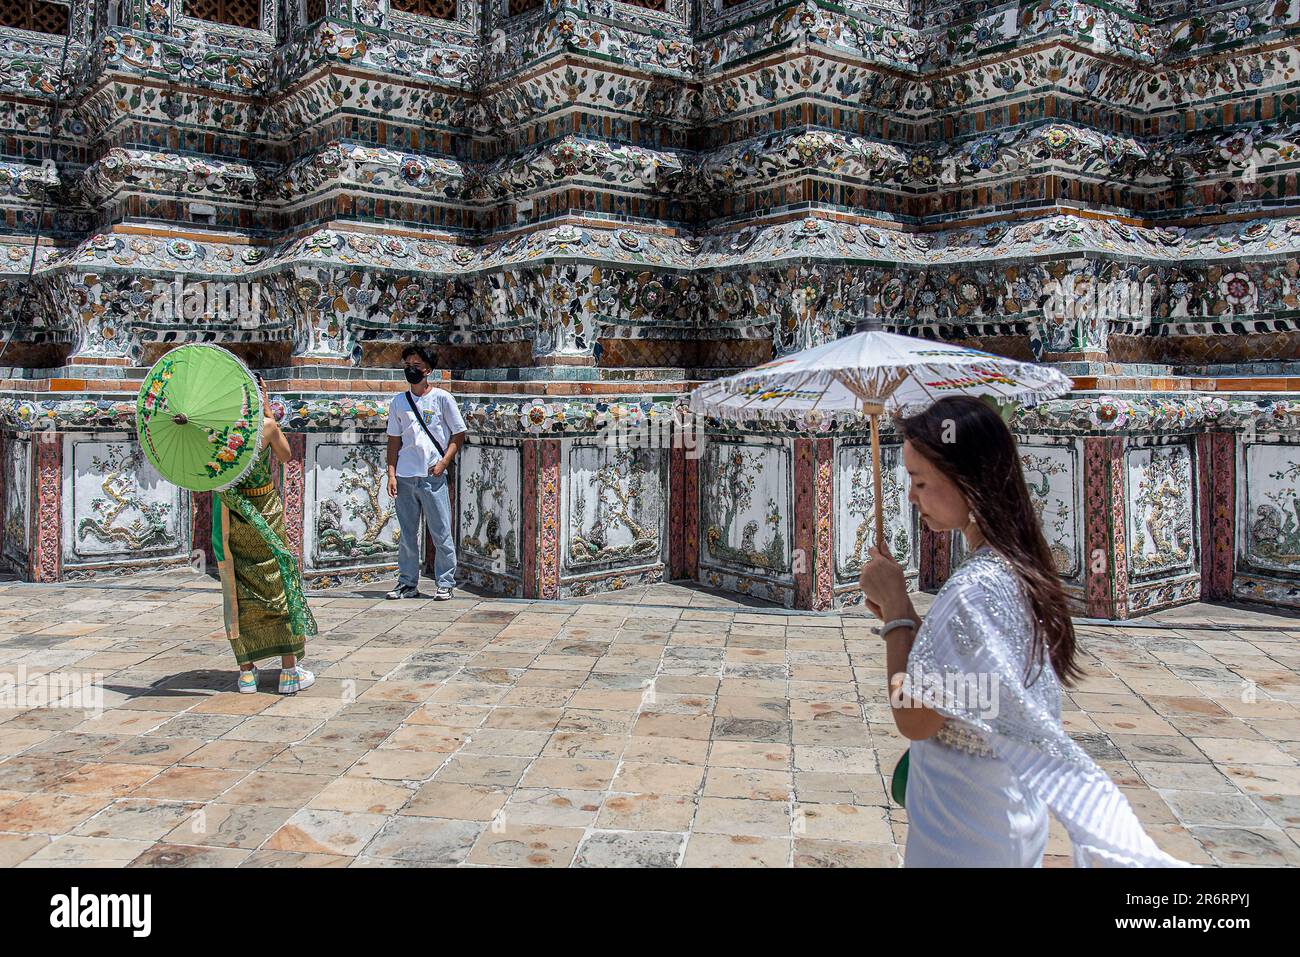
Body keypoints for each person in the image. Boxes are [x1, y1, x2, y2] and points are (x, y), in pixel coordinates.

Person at [858, 395, 1189, 867]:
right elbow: (978, 688)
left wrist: (896, 614)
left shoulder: (974, 591)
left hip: (963, 828)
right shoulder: (1020, 568)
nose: (911, 495)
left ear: (967, 483)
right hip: (1009, 804)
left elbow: (915, 716)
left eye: (920, 481)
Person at [214, 372, 318, 694]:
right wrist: (269, 413)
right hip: (266, 509)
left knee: (238, 587)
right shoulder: (266, 428)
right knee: (279, 581)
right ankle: (289, 671)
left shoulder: (215, 435)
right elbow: (285, 455)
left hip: (231, 515)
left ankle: (247, 673)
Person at [386, 344, 467, 600]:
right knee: (408, 534)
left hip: (432, 474)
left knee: (440, 530)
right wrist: (391, 473)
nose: (411, 370)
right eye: (408, 365)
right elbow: (393, 441)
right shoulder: (399, 402)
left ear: (428, 370)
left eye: (416, 366)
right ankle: (408, 583)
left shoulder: (442, 398)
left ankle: (445, 582)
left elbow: (458, 433)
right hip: (406, 474)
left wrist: (444, 462)